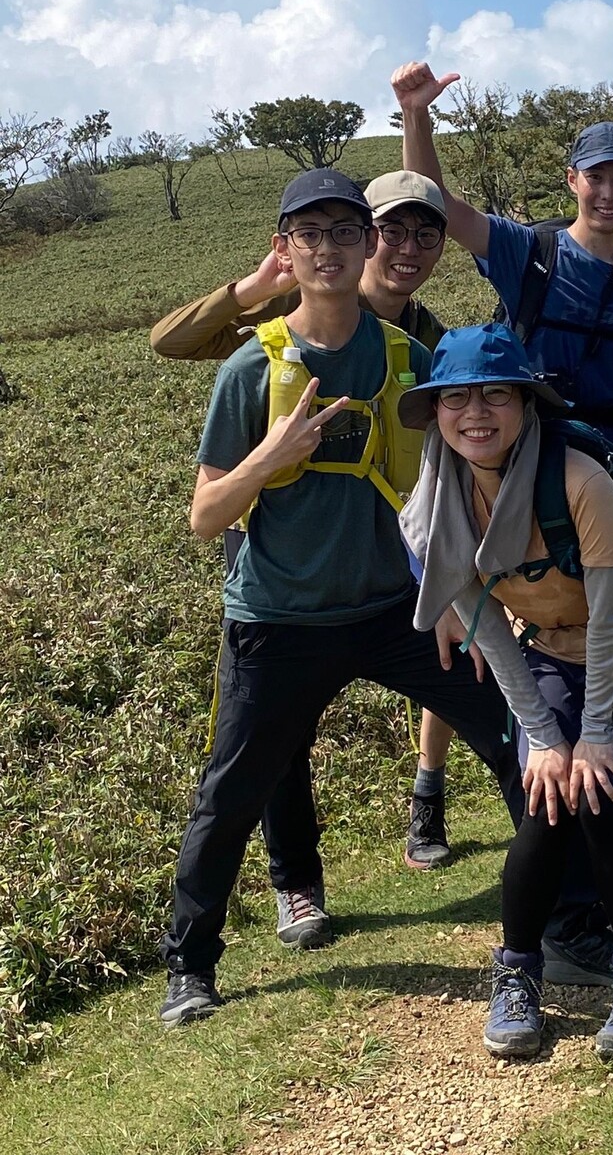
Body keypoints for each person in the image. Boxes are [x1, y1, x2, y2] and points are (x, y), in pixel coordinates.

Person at [158, 169, 526, 1028]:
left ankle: (570, 911)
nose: (327, 248)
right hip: (277, 618)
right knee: (230, 792)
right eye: (309, 234)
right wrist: (269, 459)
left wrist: (470, 590)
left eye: (343, 232)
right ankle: (190, 964)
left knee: (514, 735)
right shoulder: (252, 369)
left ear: (367, 245)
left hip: (397, 607)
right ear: (283, 249)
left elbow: (460, 472)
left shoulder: (408, 360)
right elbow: (206, 516)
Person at [398, 324, 613, 1059]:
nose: (475, 412)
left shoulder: (578, 479)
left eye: (495, 393)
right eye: (455, 397)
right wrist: (546, 738)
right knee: (545, 789)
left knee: (598, 788)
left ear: (527, 404)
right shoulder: (436, 501)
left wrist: (589, 738)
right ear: (434, 411)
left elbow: (611, 617)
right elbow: (487, 632)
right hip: (547, 648)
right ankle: (518, 971)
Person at [390, 61, 613, 446]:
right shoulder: (527, 250)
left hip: (606, 448)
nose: (608, 193)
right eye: (595, 177)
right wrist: (415, 114)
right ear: (573, 180)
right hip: (517, 443)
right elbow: (437, 202)